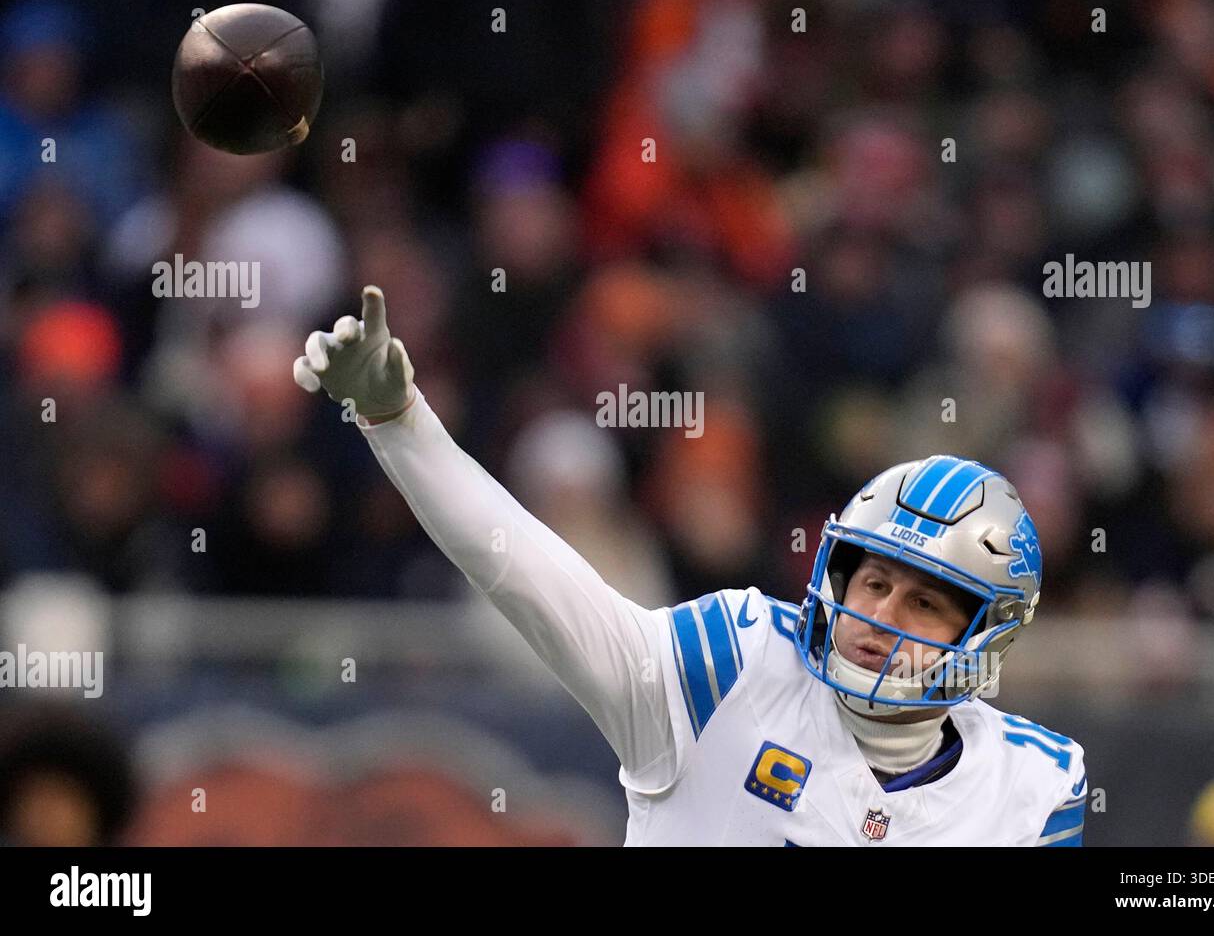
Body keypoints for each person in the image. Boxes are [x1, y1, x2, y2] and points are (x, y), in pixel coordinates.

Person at [292, 286, 1087, 845]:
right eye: (874, 582)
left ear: (987, 634)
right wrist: (400, 424)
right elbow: (526, 574)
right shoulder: (734, 666)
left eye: (923, 603)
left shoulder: (1031, 789)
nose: (879, 616)